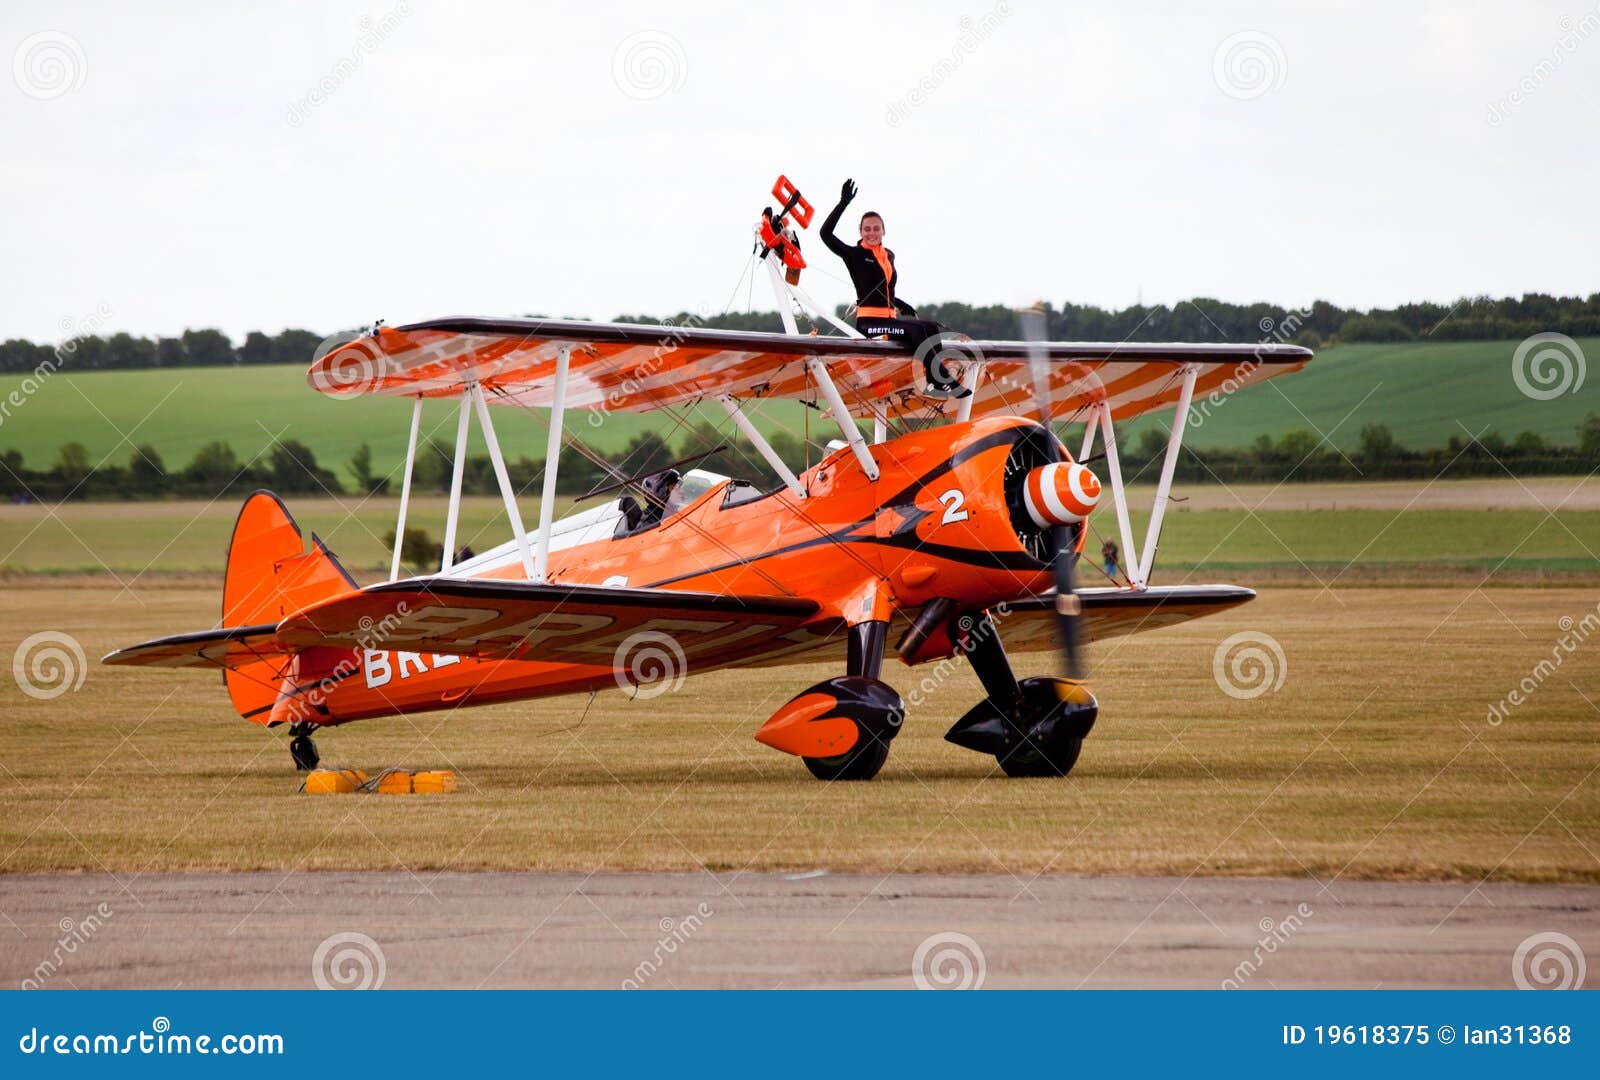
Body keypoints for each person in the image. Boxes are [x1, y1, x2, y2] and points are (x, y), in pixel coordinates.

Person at [820, 179, 964, 395]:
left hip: (889, 320)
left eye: (876, 229)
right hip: (869, 325)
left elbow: (883, 286)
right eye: (866, 229)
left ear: (883, 231)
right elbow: (825, 234)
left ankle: (936, 381)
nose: (871, 233)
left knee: (931, 328)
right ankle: (939, 378)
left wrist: (898, 302)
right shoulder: (855, 255)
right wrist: (843, 203)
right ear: (860, 231)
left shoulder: (889, 255)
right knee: (916, 331)